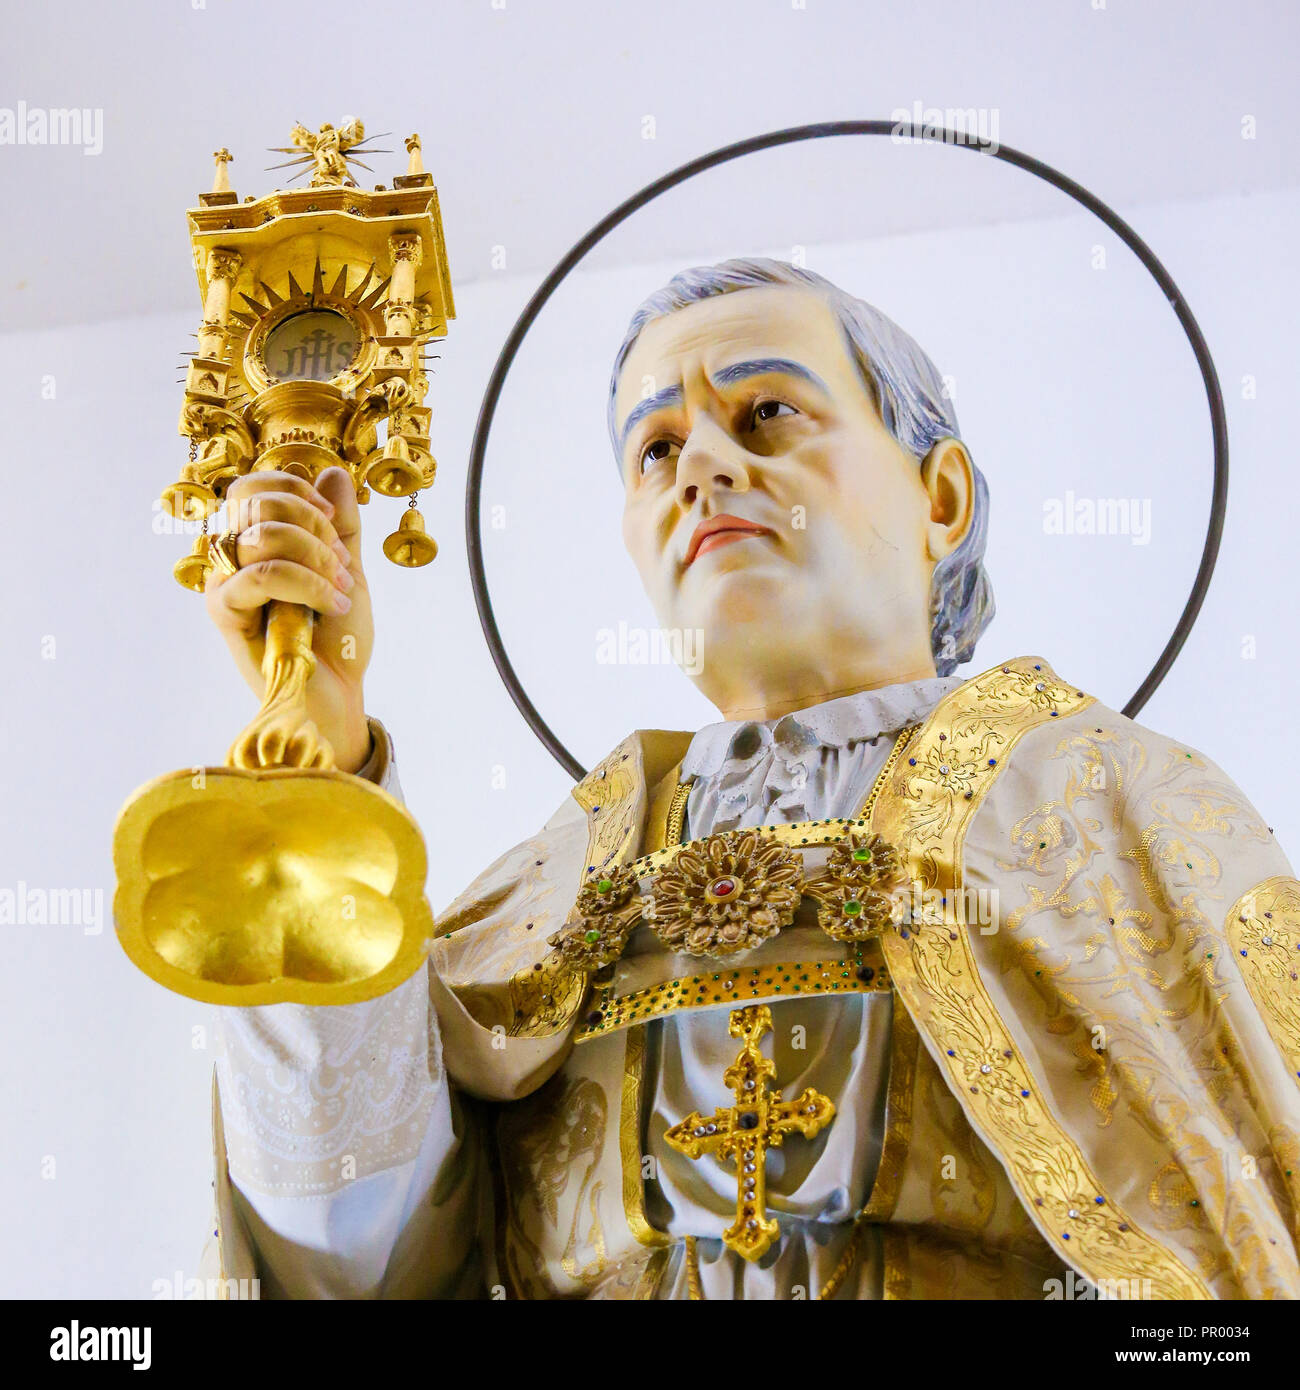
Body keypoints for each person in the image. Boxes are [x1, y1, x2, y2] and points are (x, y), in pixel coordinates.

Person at [198, 259, 1300, 1299]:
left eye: (766, 411)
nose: (702, 470)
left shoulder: (1106, 800)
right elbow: (352, 1257)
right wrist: (323, 783)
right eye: (656, 449)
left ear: (942, 498)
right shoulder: (556, 880)